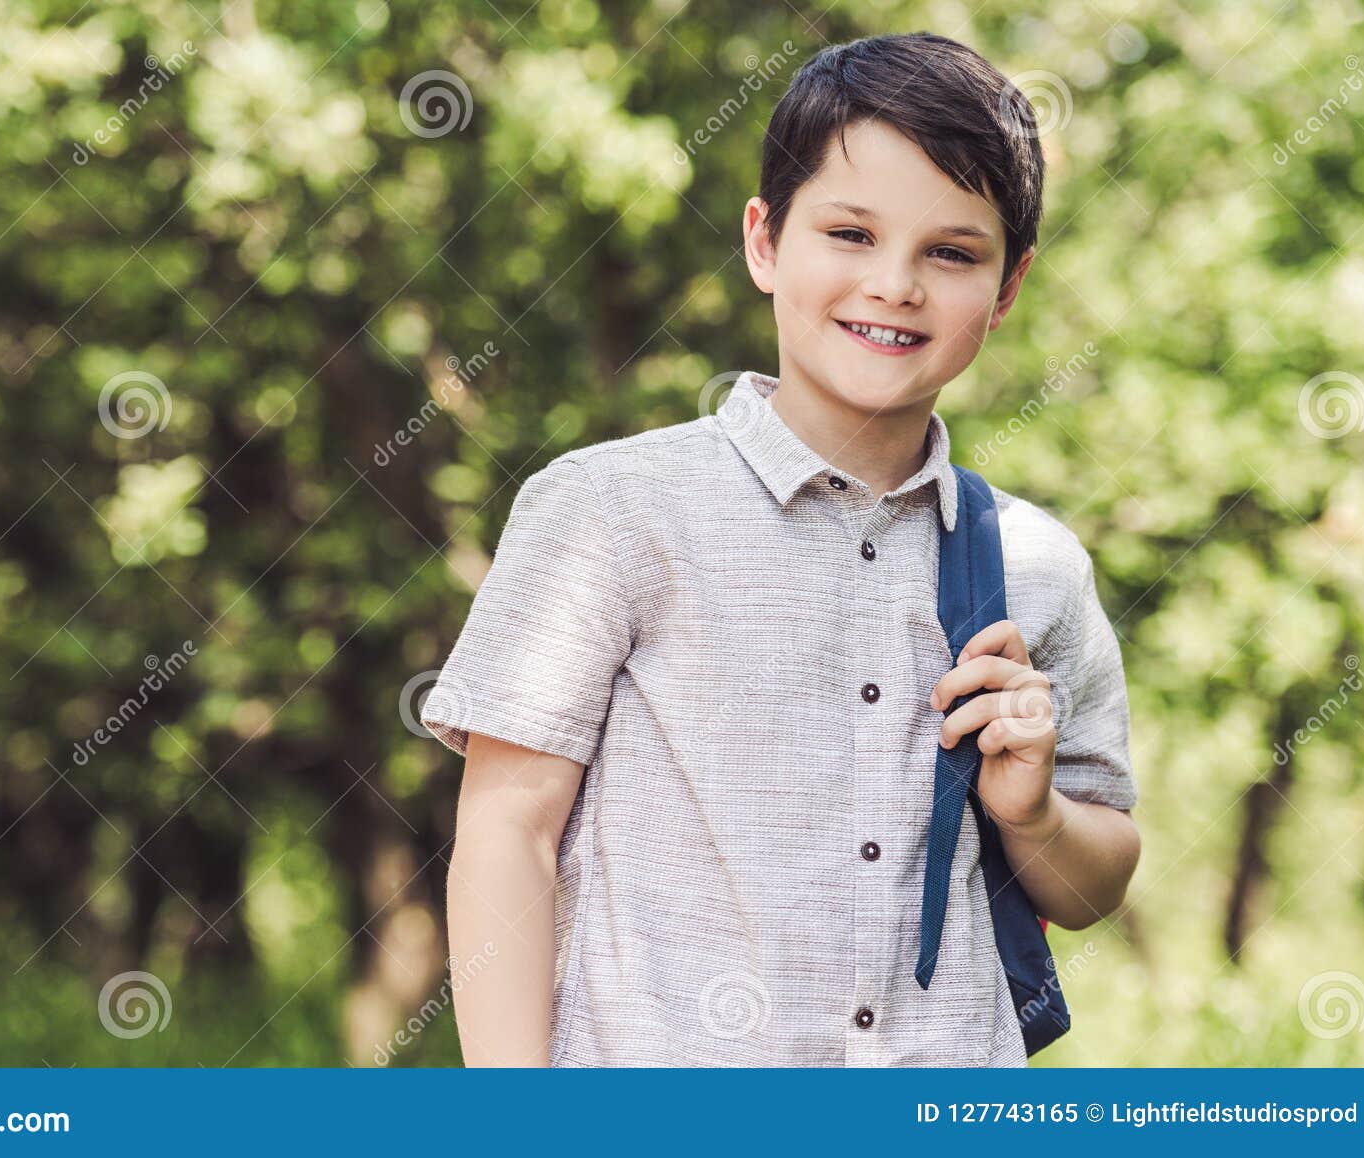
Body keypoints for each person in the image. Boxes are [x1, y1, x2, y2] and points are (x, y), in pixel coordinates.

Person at [420, 31, 1141, 1067]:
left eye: (950, 252)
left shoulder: (1036, 565)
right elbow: (506, 835)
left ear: (1009, 285)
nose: (893, 284)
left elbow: (1095, 882)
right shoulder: (610, 510)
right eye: (849, 233)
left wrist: (1029, 814)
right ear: (764, 241)